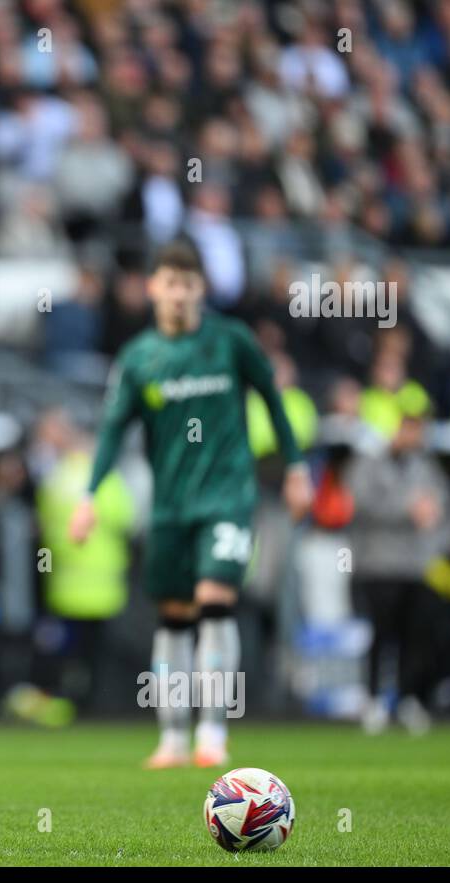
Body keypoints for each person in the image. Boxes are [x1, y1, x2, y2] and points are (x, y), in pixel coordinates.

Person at [69, 237, 312, 768]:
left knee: (215, 601)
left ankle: (213, 734)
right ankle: (173, 737)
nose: (179, 294)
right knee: (175, 618)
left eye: (189, 284)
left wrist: (296, 469)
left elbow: (273, 400)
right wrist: (88, 496)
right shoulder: (139, 359)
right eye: (171, 283)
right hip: (170, 507)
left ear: (201, 289)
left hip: (227, 497)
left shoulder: (231, 341)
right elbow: (112, 431)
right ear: (154, 287)